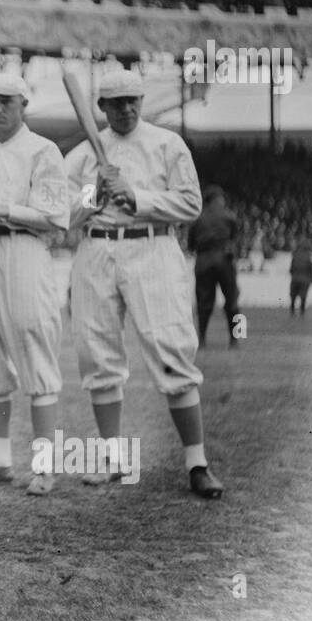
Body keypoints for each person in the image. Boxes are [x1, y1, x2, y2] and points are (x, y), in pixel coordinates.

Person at [62, 70, 223, 498]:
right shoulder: (83, 154)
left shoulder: (167, 144)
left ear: (142, 100)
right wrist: (94, 193)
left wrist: (139, 199)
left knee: (171, 350)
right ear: (102, 107)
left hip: (152, 247)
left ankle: (197, 463)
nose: (127, 108)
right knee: (97, 353)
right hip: (96, 250)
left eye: (133, 100)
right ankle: (113, 459)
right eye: (116, 102)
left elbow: (190, 204)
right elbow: (63, 217)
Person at [0, 74, 70, 495]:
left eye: (6, 102)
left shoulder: (43, 150)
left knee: (35, 351)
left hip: (26, 252)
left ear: (24, 104)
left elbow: (55, 216)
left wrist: (2, 208)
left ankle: (44, 466)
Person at [188, 185, 242, 348]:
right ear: (219, 200)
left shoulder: (198, 218)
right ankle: (236, 339)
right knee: (232, 300)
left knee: (204, 302)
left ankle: (202, 339)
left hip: (203, 260)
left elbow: (191, 245)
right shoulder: (229, 216)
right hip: (224, 259)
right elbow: (234, 237)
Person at [289, 238, 312, 315]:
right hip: (305, 280)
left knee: (293, 295)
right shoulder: (309, 256)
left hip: (295, 278)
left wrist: (293, 275)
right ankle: (302, 311)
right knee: (303, 296)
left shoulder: (295, 254)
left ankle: (292, 310)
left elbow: (291, 268)